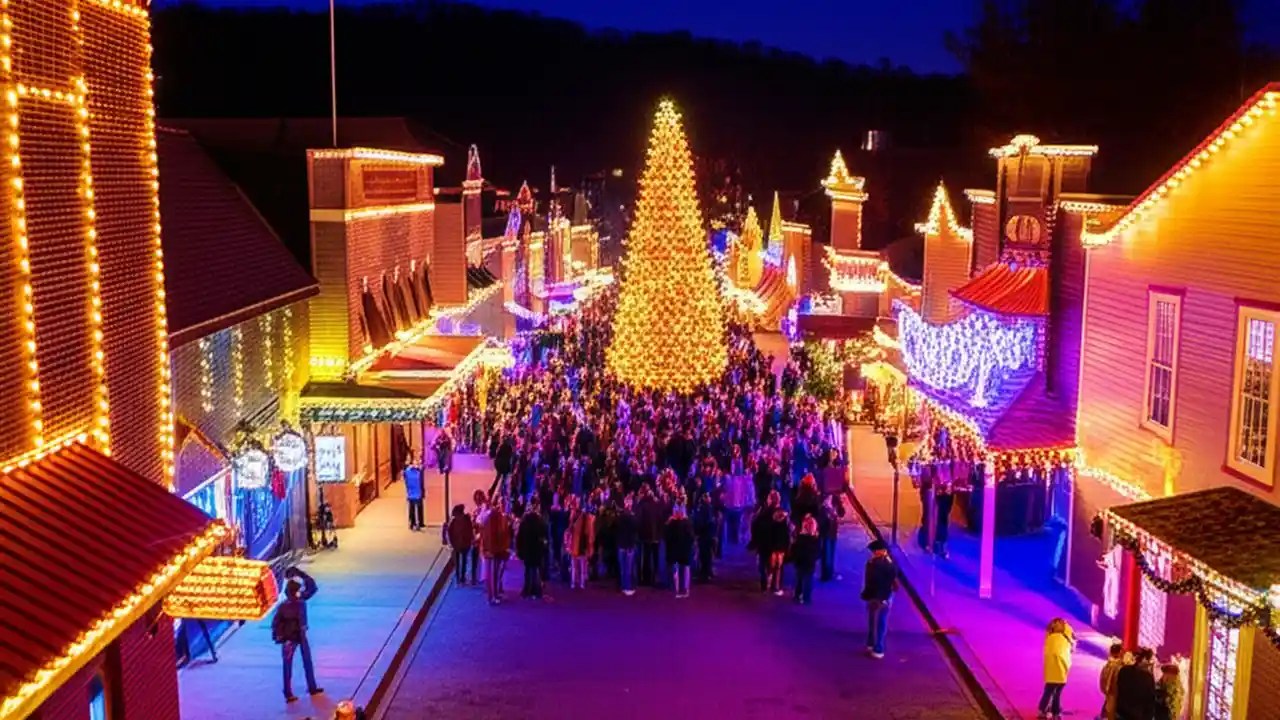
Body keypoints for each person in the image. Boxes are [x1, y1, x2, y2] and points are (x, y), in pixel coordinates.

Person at [271, 567, 323, 702]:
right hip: (293, 637)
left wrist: (299, 573)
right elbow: (312, 587)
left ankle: (303, 689)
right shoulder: (298, 603)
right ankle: (294, 691)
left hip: (295, 636)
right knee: (296, 663)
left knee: (297, 663)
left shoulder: (290, 604)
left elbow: (312, 586)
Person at [861, 539, 897, 659]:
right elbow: (891, 582)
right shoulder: (890, 565)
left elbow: (870, 582)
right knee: (881, 621)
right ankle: (878, 647)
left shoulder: (872, 564)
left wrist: (867, 594)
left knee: (873, 620)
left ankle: (872, 644)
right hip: (885, 596)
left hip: (875, 596)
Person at [1039, 617, 1075, 719]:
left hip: (1050, 669)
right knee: (1056, 691)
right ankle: (1054, 711)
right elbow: (1070, 645)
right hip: (1060, 669)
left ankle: (1046, 710)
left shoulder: (1050, 637)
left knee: (1050, 689)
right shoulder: (1064, 637)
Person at [516, 497, 548, 600]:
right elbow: (544, 535)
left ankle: (527, 590)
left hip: (528, 548)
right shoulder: (540, 520)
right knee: (535, 569)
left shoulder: (525, 519)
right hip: (536, 548)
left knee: (528, 570)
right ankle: (536, 590)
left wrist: (519, 549)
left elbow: (520, 535)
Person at [481, 501, 512, 605]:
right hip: (496, 550)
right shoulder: (497, 519)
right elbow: (503, 534)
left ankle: (492, 595)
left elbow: (484, 535)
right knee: (494, 573)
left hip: (490, 550)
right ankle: (493, 595)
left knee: (491, 573)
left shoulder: (486, 519)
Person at [1115, 648, 1156, 720]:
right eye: (1149, 661)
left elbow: (1118, 688)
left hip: (1120, 712)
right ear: (1144, 660)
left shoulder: (1124, 670)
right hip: (1136, 715)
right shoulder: (1148, 678)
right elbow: (1150, 700)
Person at [664, 503, 695, 598]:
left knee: (680, 570)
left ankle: (680, 590)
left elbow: (666, 536)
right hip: (681, 551)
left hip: (679, 551)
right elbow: (691, 537)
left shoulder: (677, 523)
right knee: (681, 570)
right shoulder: (685, 523)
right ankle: (681, 589)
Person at [791, 515, 820, 605]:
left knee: (799, 578)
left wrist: (795, 558)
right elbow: (818, 551)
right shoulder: (814, 539)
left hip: (800, 561)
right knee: (808, 579)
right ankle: (806, 597)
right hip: (809, 562)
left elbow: (794, 549)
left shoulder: (800, 538)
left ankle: (797, 594)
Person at [567, 496, 594, 589]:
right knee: (578, 566)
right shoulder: (580, 517)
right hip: (578, 544)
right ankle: (576, 583)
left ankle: (576, 583)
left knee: (578, 566)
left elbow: (587, 533)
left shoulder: (582, 517)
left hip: (578, 544)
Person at [615, 495, 639, 595]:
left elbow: (616, 529)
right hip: (629, 545)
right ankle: (627, 587)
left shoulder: (620, 516)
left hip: (622, 544)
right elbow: (636, 529)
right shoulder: (632, 517)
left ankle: (623, 586)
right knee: (628, 568)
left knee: (623, 568)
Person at [446, 504, 474, 586]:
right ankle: (461, 578)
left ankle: (460, 578)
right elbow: (470, 530)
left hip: (460, 544)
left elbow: (450, 532)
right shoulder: (464, 519)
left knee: (460, 561)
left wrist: (451, 543)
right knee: (462, 561)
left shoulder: (456, 521)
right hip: (461, 544)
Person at [692, 493, 716, 582]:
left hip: (706, 535)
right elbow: (706, 521)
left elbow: (704, 522)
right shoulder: (706, 508)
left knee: (706, 555)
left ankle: (706, 573)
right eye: (708, 497)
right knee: (705, 555)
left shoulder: (706, 508)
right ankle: (705, 572)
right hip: (706, 535)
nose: (710, 498)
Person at [1098, 642, 1126, 720]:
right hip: (1115, 694)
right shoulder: (1120, 667)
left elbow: (1102, 682)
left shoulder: (1107, 665)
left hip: (1109, 693)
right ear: (1120, 652)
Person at [404, 461, 425, 531]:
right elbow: (422, 482)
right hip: (418, 493)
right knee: (418, 508)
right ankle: (419, 522)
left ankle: (412, 523)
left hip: (411, 493)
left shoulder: (407, 472)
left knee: (412, 508)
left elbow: (405, 480)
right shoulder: (419, 472)